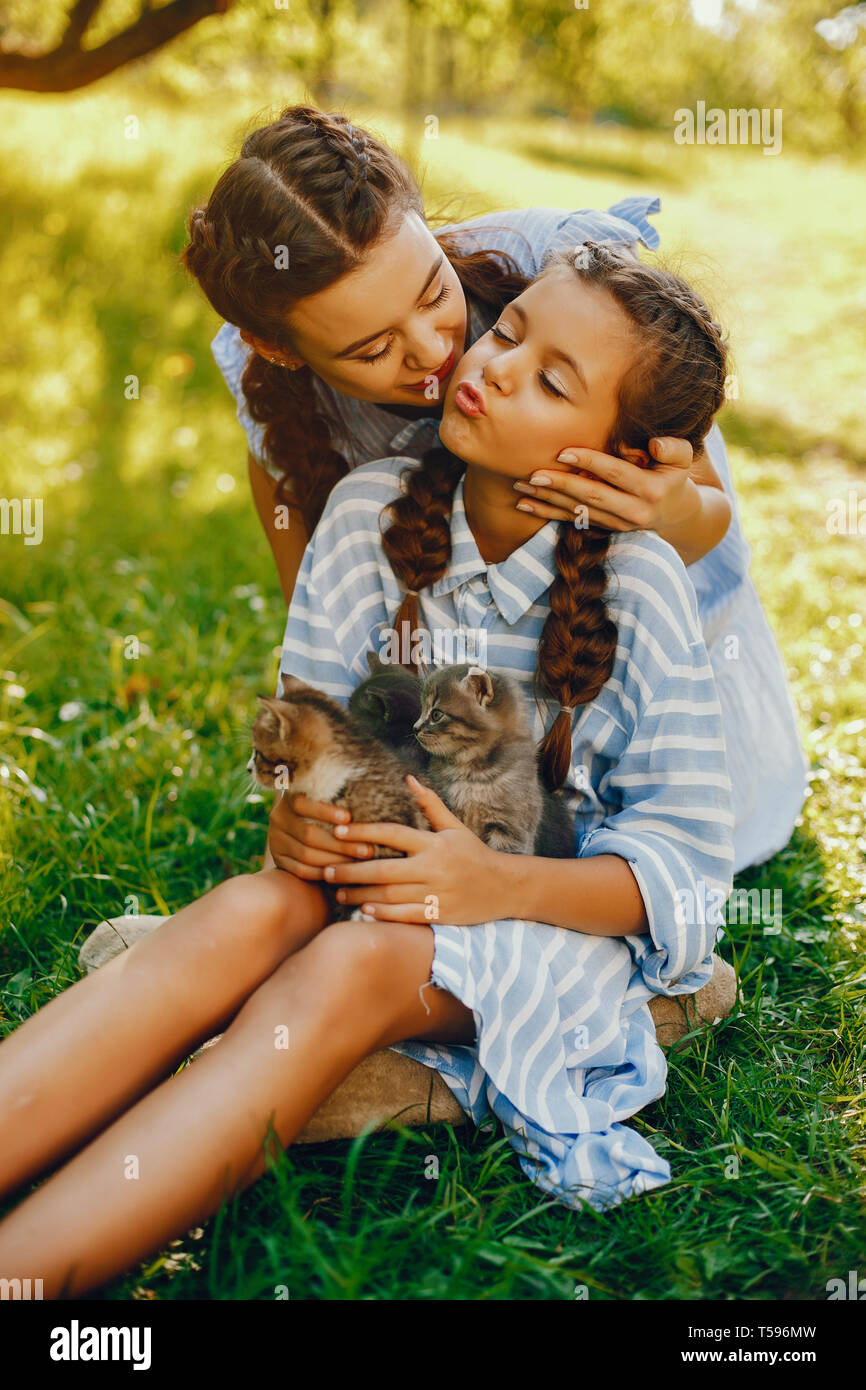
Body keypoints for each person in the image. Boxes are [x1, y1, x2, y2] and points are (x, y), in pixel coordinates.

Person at [0, 241, 736, 1295]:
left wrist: (490, 885)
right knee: (246, 914)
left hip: (541, 922)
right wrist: (299, 819)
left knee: (350, 969)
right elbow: (308, 735)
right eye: (510, 328)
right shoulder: (368, 512)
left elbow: (685, 873)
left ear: (617, 455)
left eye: (549, 380)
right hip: (371, 890)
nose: (490, 363)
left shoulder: (642, 588)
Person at [182, 103, 806, 873]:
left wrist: (667, 508)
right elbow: (323, 642)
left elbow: (707, 517)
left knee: (630, 850)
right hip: (481, 679)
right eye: (374, 348)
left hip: (635, 651)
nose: (436, 353)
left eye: (433, 293)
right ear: (278, 348)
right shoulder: (283, 406)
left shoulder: (552, 269)